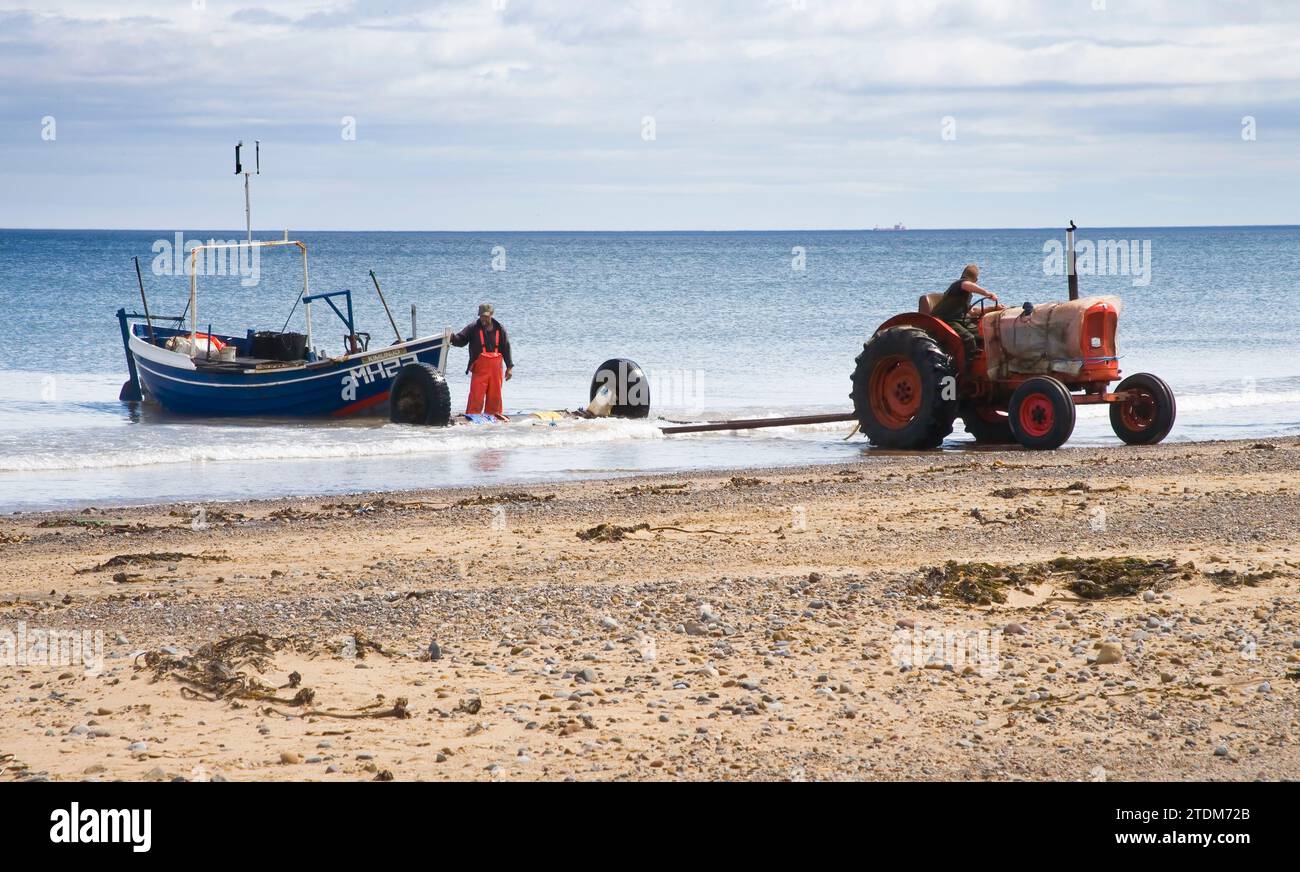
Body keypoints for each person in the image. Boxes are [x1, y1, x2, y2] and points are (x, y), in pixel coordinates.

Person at [450, 303, 514, 416]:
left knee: (495, 396)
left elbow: (506, 348)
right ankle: (472, 417)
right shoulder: (473, 328)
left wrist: (509, 367)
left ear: (491, 314)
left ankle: (494, 417)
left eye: (485, 316)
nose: (483, 319)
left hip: (496, 370)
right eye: (481, 316)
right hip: (480, 369)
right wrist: (452, 338)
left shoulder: (500, 328)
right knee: (476, 395)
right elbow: (461, 340)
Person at [929, 263, 999, 359]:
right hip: (946, 319)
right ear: (976, 280)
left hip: (960, 320)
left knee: (983, 334)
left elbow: (972, 311)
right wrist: (987, 293)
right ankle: (969, 365)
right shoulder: (959, 284)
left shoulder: (965, 294)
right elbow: (966, 284)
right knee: (968, 338)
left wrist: (994, 308)